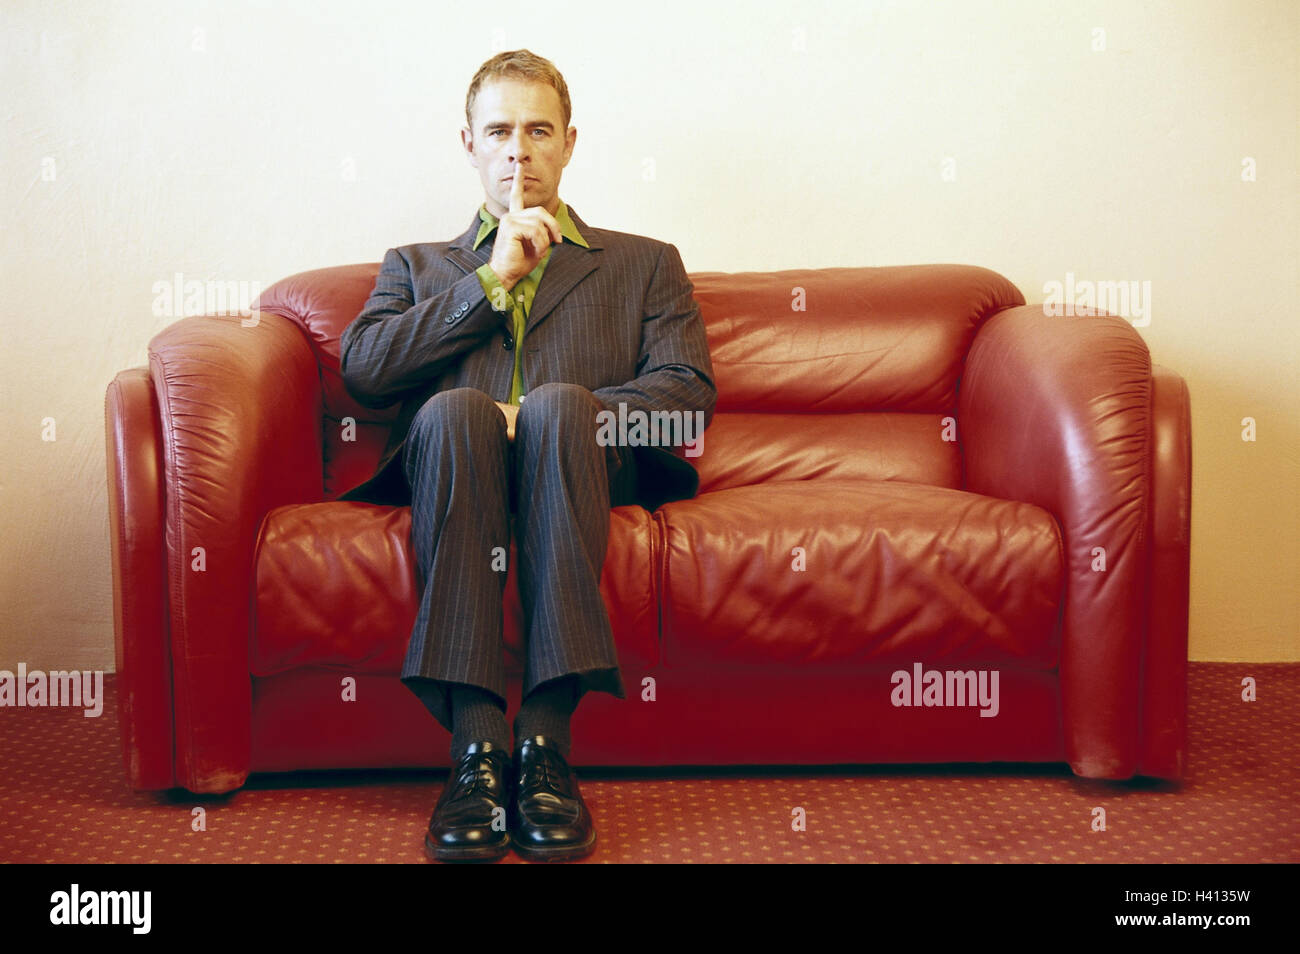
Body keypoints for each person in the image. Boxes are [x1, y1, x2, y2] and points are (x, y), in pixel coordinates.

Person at [337, 49, 716, 862]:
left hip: (585, 463)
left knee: (553, 407)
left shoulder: (646, 263)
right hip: (455, 464)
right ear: (469, 144)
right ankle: (477, 750)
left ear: (569, 144)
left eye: (539, 130)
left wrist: (557, 418)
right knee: (459, 414)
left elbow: (684, 399)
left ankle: (544, 747)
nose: (519, 149)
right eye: (500, 131)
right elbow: (366, 372)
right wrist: (492, 279)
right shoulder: (416, 266)